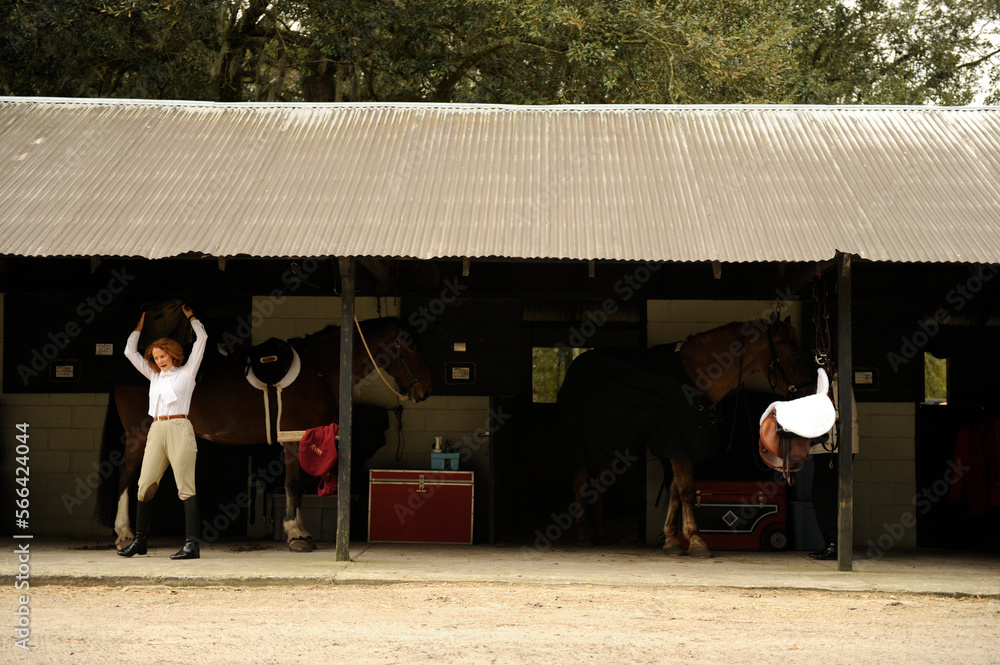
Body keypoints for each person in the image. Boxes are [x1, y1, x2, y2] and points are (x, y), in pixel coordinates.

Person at [118, 303, 207, 560]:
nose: (159, 361)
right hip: (156, 428)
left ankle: (192, 544)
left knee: (185, 486)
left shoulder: (187, 372)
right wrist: (138, 328)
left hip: (179, 427)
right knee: (144, 485)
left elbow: (202, 339)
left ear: (173, 355)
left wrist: (192, 317)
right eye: (156, 358)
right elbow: (128, 352)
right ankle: (141, 542)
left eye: (163, 356)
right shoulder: (154, 376)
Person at [809, 372, 859, 560]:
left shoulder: (831, 384)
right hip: (831, 446)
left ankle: (834, 544)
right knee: (826, 496)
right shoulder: (835, 382)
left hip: (832, 447)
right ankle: (833, 542)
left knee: (825, 496)